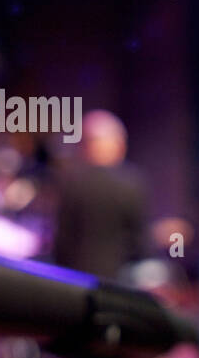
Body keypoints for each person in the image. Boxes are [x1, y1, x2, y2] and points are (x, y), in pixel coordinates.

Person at [53, 110, 147, 281]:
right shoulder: (131, 182)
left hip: (75, 278)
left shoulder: (70, 181)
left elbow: (62, 239)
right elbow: (139, 240)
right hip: (119, 280)